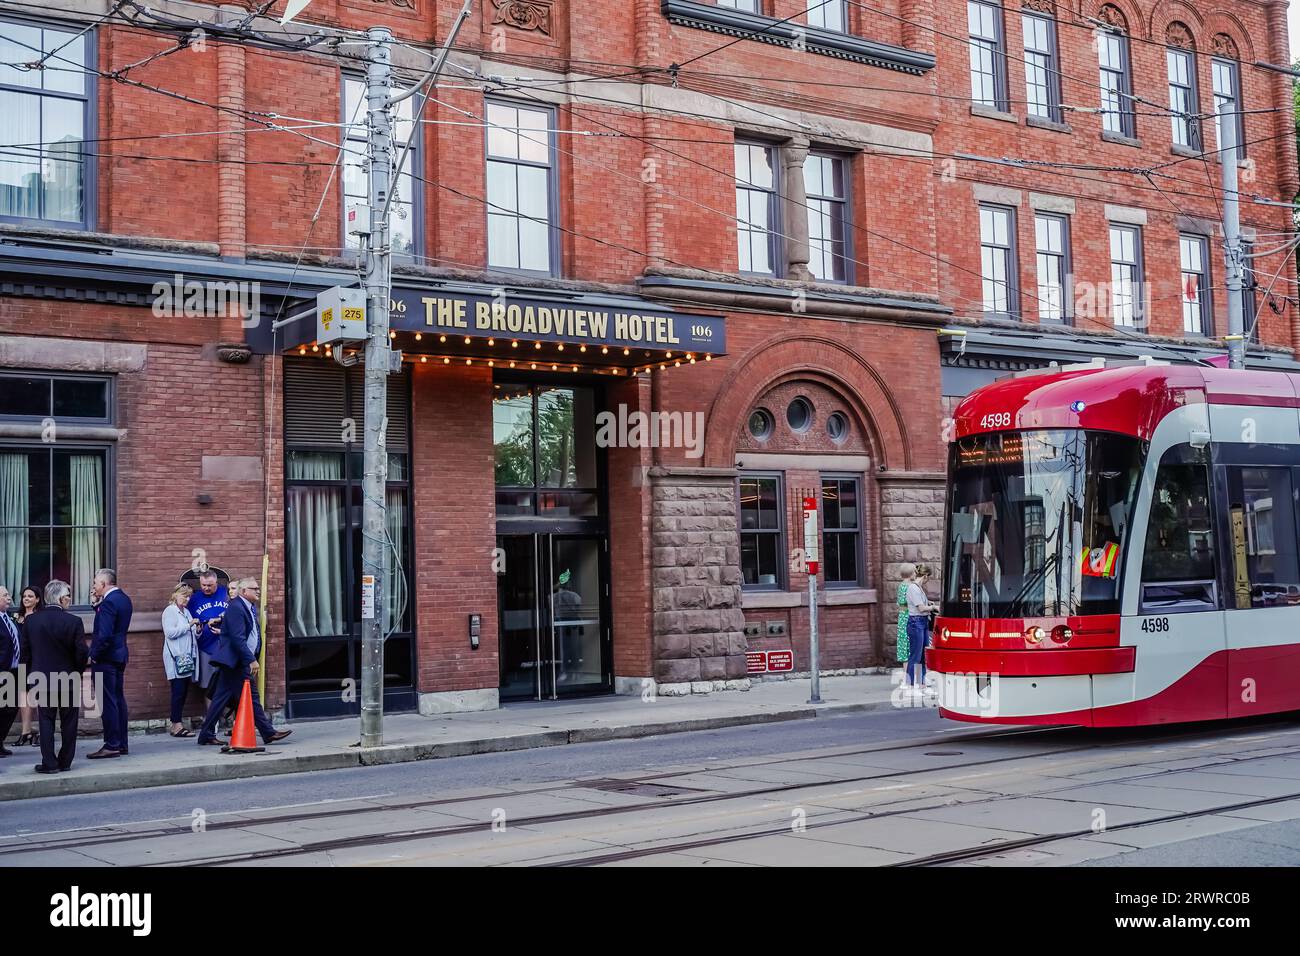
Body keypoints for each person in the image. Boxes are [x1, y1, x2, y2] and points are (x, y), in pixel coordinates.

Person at [197, 578, 291, 747]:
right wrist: (251, 660)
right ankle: (268, 733)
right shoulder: (236, 608)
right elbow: (237, 638)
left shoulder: (248, 607)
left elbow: (251, 635)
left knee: (220, 698)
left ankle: (206, 734)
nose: (258, 591)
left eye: (257, 588)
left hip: (236, 661)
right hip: (236, 661)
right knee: (252, 697)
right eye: (254, 588)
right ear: (244, 591)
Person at [19, 580, 89, 774]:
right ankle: (65, 762)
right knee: (69, 722)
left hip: (41, 679)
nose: (69, 600)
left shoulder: (32, 621)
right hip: (68, 678)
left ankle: (49, 763)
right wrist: (77, 672)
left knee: (46, 721)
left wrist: (26, 679)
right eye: (67, 596)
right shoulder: (74, 621)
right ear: (59, 598)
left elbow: (24, 654)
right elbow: (82, 652)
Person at [87, 569, 132, 759]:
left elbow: (104, 635)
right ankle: (121, 743)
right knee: (118, 699)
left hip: (106, 658)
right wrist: (96, 606)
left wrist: (94, 655)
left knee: (107, 701)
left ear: (105, 584)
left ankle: (111, 744)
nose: (94, 587)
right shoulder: (123, 599)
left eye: (96, 583)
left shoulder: (108, 603)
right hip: (120, 655)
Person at [161, 584, 200, 738]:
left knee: (182, 691)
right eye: (184, 595)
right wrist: (189, 625)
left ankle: (177, 723)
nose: (187, 599)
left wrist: (197, 630)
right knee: (178, 692)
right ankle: (176, 725)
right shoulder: (170, 611)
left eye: (189, 596)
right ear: (175, 595)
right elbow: (170, 633)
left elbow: (191, 634)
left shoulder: (186, 611)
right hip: (175, 658)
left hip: (186, 658)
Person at [187, 570, 229, 703]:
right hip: (205, 648)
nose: (206, 588)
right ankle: (212, 721)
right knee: (208, 686)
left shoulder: (225, 594)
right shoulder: (194, 599)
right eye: (203, 585)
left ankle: (226, 717)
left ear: (216, 582)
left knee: (227, 684)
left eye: (209, 585)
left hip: (226, 646)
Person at [11, 586, 41, 746]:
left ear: (37, 599)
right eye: (24, 596)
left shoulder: (40, 616)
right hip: (21, 660)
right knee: (23, 696)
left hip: (36, 660)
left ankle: (40, 730)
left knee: (35, 696)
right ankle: (26, 732)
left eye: (30, 596)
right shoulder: (17, 617)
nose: (26, 598)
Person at [905, 564, 939, 695]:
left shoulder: (918, 588)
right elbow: (920, 608)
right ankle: (911, 685)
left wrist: (928, 602)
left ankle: (921, 684)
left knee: (923, 655)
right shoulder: (913, 588)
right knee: (915, 655)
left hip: (922, 622)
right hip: (916, 623)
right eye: (928, 578)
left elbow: (921, 604)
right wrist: (933, 608)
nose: (927, 581)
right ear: (925, 576)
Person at [0, 587, 20, 757]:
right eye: (5, 595)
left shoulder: (9, 618)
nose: (9, 597)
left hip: (14, 672)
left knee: (11, 708)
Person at [895, 564, 914, 672]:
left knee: (903, 645)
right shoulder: (910, 586)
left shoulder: (901, 585)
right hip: (908, 615)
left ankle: (905, 675)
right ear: (911, 574)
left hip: (902, 616)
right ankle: (913, 675)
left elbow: (899, 603)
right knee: (911, 645)